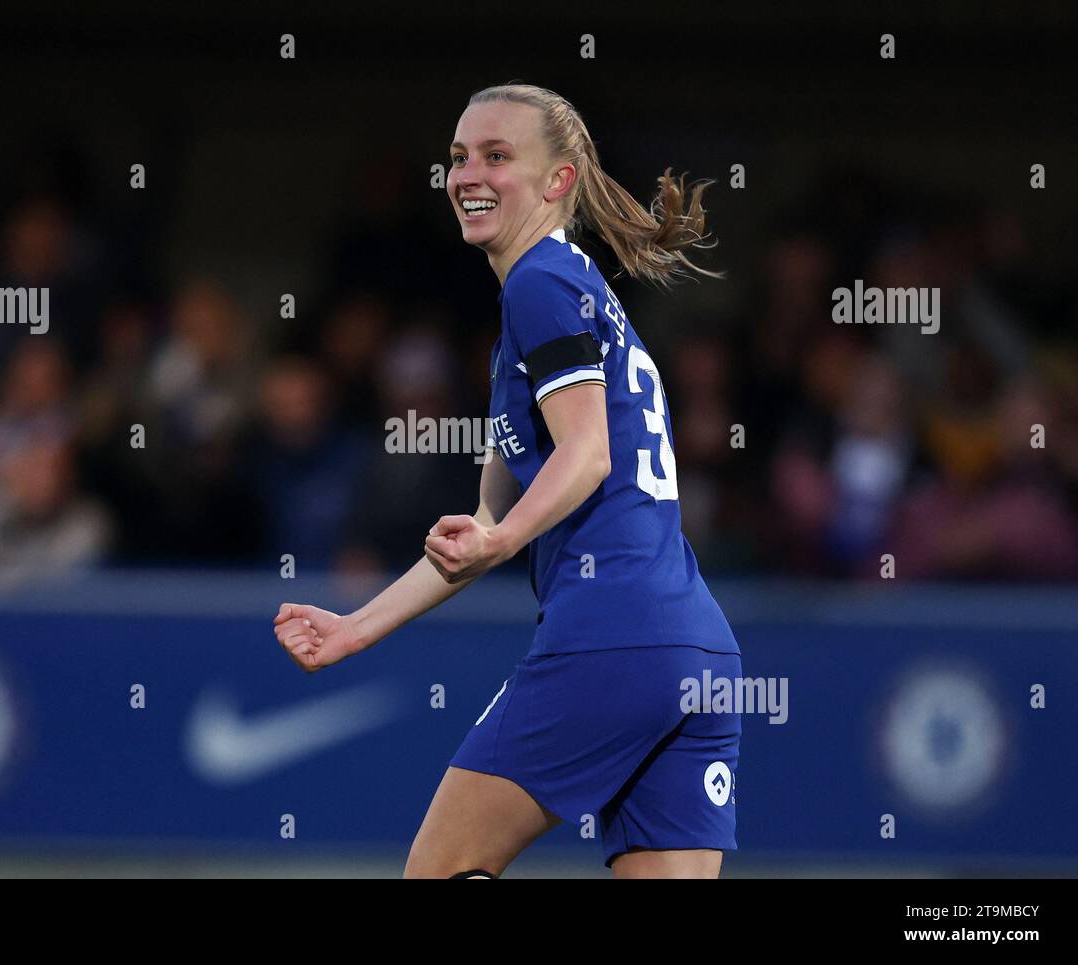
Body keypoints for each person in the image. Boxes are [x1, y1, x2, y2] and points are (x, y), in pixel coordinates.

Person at [274, 83, 741, 878]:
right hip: (695, 648)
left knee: (438, 870)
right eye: (458, 157)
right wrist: (358, 626)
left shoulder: (540, 285)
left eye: (497, 156)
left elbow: (584, 455)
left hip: (609, 634)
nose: (466, 174)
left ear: (558, 182)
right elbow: (485, 529)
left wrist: (503, 535)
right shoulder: (577, 298)